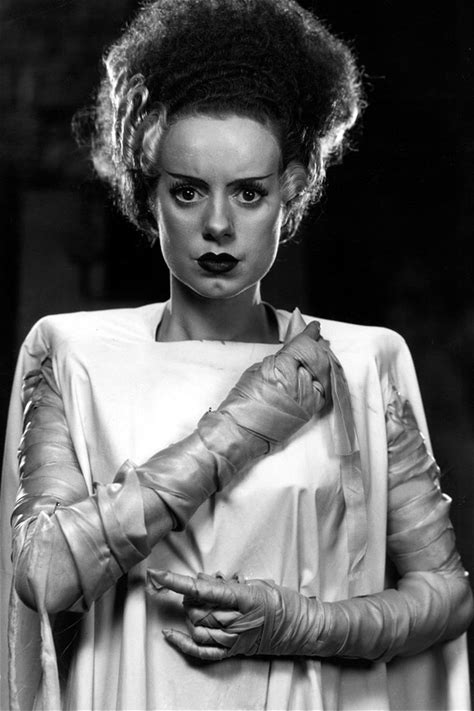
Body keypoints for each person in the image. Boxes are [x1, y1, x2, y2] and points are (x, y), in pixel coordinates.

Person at [0, 0, 472, 709]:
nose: (217, 224)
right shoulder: (72, 354)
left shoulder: (359, 362)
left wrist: (300, 624)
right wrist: (242, 424)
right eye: (188, 191)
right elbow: (41, 574)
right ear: (148, 194)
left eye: (249, 193)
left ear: (292, 190)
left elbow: (445, 595)